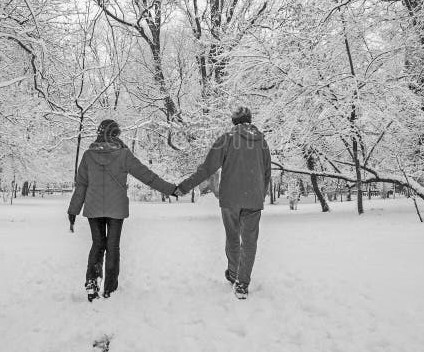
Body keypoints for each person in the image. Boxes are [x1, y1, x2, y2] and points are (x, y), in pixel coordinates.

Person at [67, 120, 176, 302]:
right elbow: (147, 176)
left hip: (93, 208)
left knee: (97, 244)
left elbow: (81, 185)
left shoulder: (88, 155)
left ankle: (92, 282)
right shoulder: (124, 155)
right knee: (112, 247)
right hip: (116, 208)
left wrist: (73, 210)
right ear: (116, 134)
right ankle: (110, 288)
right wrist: (170, 189)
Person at [175, 106, 271, 299]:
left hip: (231, 199)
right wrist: (261, 194)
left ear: (234, 121)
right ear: (250, 120)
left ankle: (234, 273)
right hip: (254, 198)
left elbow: (207, 169)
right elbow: (267, 171)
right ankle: (242, 284)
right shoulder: (262, 142)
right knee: (250, 241)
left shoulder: (227, 139)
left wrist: (184, 187)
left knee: (233, 237)